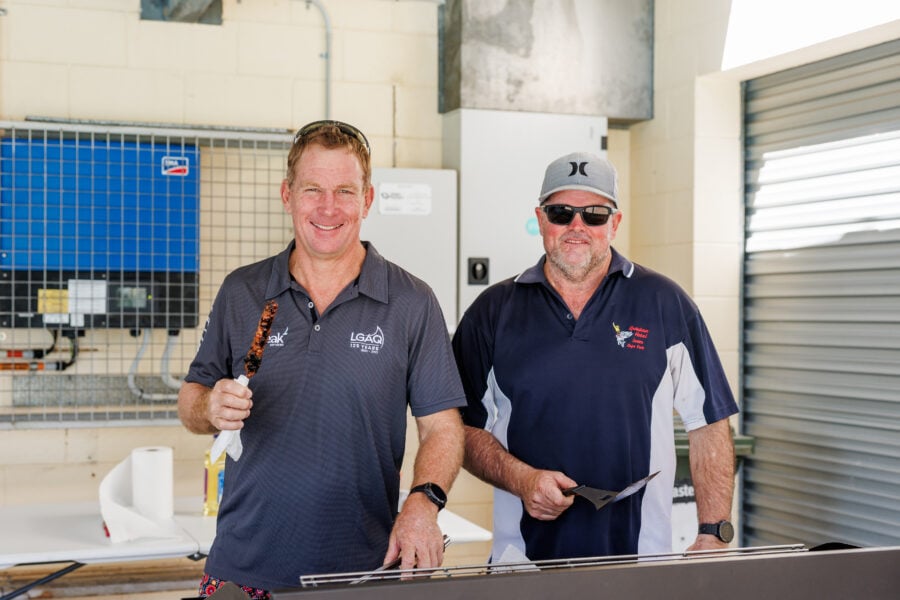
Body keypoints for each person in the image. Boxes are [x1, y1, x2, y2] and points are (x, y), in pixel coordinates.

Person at [178, 120, 466, 597]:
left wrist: (423, 502)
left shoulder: (412, 302)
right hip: (243, 570)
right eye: (312, 189)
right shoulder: (242, 291)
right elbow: (191, 399)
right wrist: (209, 408)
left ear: (368, 199)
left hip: (363, 573)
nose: (328, 207)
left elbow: (442, 426)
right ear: (287, 195)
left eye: (345, 191)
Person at [451, 151, 739, 563]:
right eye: (561, 212)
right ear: (540, 218)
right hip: (523, 567)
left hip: (642, 566)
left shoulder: (665, 303)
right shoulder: (492, 312)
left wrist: (713, 532)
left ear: (615, 223)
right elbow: (455, 430)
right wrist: (522, 479)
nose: (576, 227)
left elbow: (708, 420)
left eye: (595, 215)